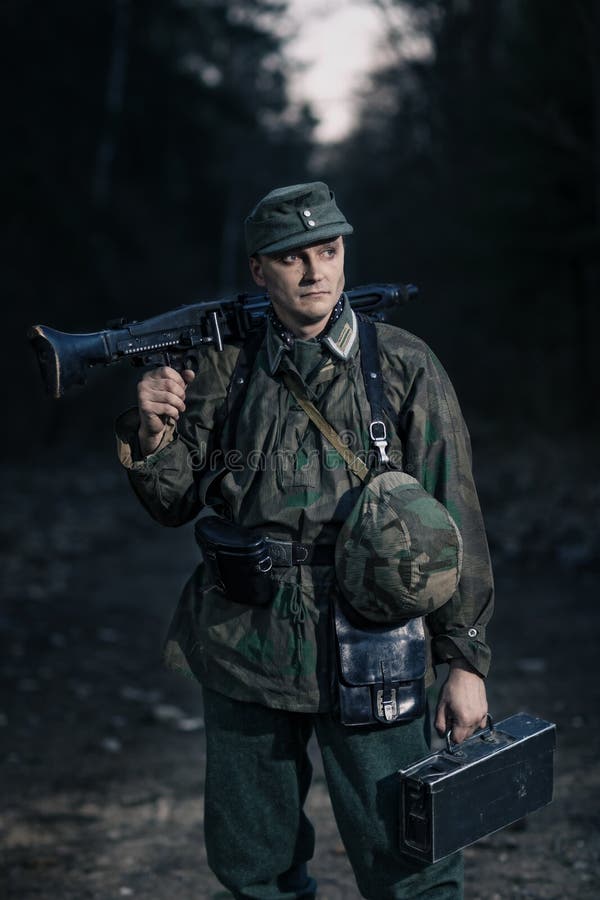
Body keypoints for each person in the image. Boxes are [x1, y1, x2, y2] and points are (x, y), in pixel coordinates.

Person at [116, 182, 494, 899]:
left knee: (411, 861)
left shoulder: (404, 365)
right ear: (259, 270)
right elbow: (172, 501)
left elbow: (456, 517)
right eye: (293, 258)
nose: (316, 272)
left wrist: (465, 660)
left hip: (375, 636)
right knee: (254, 868)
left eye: (329, 251)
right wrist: (153, 431)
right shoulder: (221, 370)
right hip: (245, 640)